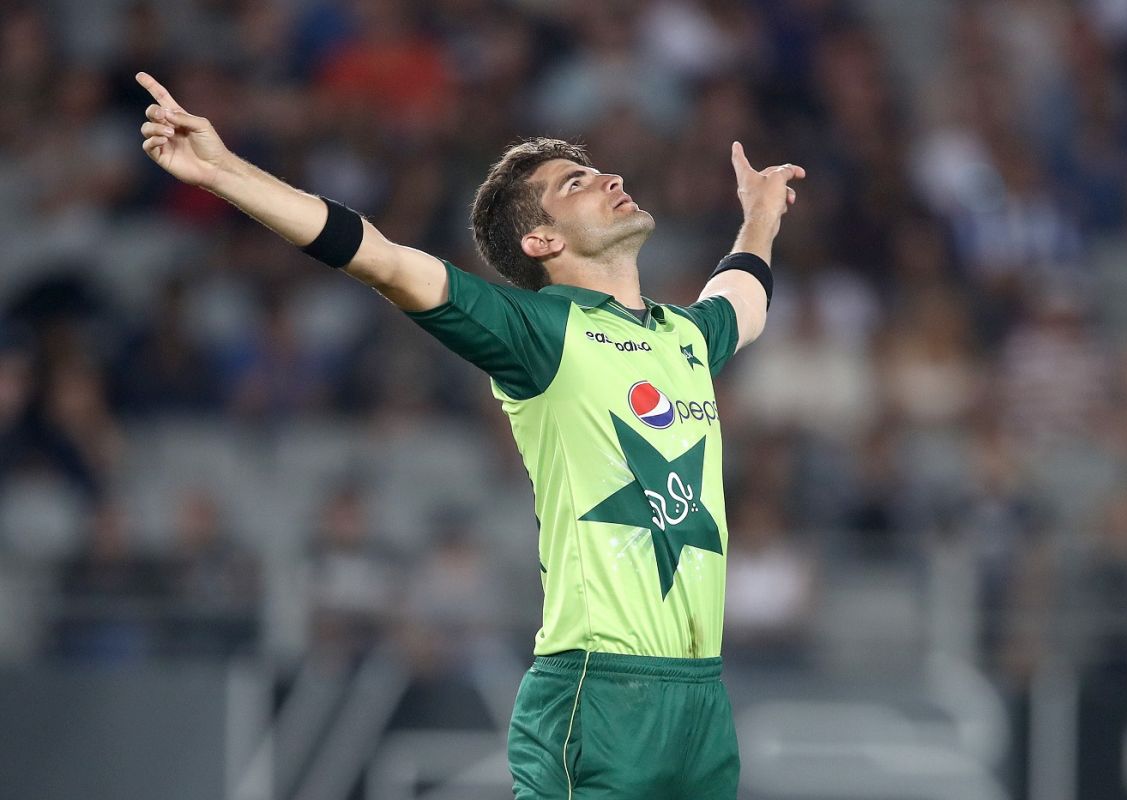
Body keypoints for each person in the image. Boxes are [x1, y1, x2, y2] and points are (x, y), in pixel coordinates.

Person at [136, 70, 804, 799]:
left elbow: (743, 295)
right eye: (575, 183)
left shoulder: (684, 336)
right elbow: (383, 260)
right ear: (541, 238)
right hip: (599, 691)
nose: (609, 177)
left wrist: (760, 215)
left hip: (701, 697)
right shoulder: (537, 332)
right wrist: (223, 173)